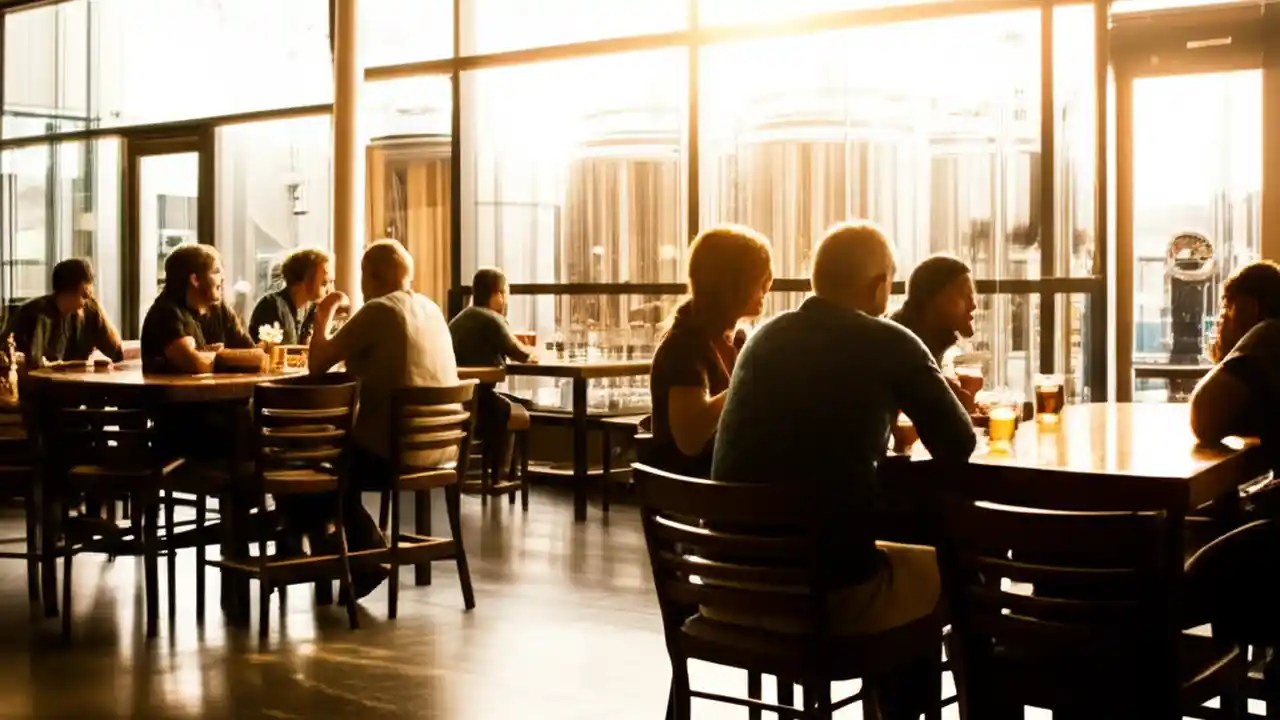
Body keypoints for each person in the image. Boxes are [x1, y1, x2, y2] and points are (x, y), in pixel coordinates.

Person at [710, 221, 976, 720]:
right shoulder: (890, 340)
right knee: (950, 566)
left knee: (891, 547)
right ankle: (911, 714)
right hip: (823, 596)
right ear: (878, 287)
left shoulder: (762, 340)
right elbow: (957, 444)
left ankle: (882, 707)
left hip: (729, 585)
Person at [303, 239, 461, 598]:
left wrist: (324, 314)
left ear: (367, 277)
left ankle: (355, 557)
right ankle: (347, 556)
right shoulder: (432, 309)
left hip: (391, 452)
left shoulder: (379, 311)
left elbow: (318, 364)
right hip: (440, 450)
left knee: (311, 465)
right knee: (329, 465)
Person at [649, 225, 772, 477]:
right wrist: (749, 383)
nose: (766, 291)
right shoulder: (683, 347)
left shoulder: (736, 340)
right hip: (696, 486)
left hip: (726, 476)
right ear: (731, 284)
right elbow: (690, 439)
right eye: (760, 281)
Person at [448, 267, 536, 478]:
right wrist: (534, 353)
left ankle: (492, 471)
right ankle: (501, 472)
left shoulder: (459, 319)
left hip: (454, 400)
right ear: (496, 294)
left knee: (512, 403)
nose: (505, 300)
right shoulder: (491, 319)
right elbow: (520, 353)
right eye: (504, 294)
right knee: (514, 407)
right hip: (480, 401)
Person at [1190, 260, 1280, 448]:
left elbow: (1205, 417)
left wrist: (1233, 352)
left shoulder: (1269, 333)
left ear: (1250, 307)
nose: (1221, 322)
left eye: (1227, 309)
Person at [139, 244, 255, 373]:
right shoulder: (166, 314)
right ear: (195, 280)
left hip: (222, 392)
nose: (222, 278)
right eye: (216, 272)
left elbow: (252, 353)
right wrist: (222, 355)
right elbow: (195, 364)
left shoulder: (219, 309)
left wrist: (211, 354)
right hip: (179, 393)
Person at [890, 254, 978, 411]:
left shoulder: (926, 341)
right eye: (966, 296)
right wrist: (951, 399)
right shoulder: (903, 349)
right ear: (936, 299)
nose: (973, 305)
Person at [2, 258, 124, 369]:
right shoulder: (32, 314)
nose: (88, 298)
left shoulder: (91, 310)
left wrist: (101, 313)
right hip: (36, 387)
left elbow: (116, 352)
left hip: (78, 386)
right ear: (66, 290)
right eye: (84, 294)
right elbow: (6, 358)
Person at [248, 247, 330, 345]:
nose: (330, 289)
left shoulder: (312, 309)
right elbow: (287, 353)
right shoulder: (273, 307)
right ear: (304, 280)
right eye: (324, 283)